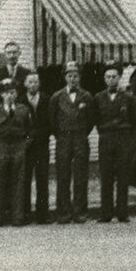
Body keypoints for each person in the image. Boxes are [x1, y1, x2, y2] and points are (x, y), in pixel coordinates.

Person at [49, 62, 96, 223]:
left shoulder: (87, 96)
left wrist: (80, 132)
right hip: (63, 138)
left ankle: (80, 212)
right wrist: (62, 134)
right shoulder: (57, 97)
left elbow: (91, 121)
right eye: (70, 76)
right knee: (63, 175)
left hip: (81, 138)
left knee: (81, 175)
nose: (73, 79)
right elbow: (52, 121)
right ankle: (63, 212)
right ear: (65, 77)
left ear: (80, 77)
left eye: (76, 76)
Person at [0, 78, 33, 226]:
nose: (9, 96)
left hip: (18, 147)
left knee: (18, 182)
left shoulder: (23, 110)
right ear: (1, 95)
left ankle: (17, 217)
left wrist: (24, 145)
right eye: (6, 93)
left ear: (17, 94)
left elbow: (31, 131)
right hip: (1, 147)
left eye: (12, 92)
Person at [95, 66, 136, 223]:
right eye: (108, 77)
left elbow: (134, 119)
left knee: (122, 176)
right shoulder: (98, 98)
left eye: (114, 76)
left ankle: (122, 213)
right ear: (104, 79)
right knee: (106, 176)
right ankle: (105, 213)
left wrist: (127, 137)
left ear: (119, 78)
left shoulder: (128, 98)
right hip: (106, 139)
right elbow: (96, 119)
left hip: (122, 139)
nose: (111, 79)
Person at [20, 71, 52, 223]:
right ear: (25, 84)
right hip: (25, 146)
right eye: (30, 82)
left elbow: (51, 121)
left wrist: (44, 135)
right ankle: (25, 213)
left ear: (39, 84)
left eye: (35, 82)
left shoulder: (46, 99)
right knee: (24, 179)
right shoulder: (20, 101)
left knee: (42, 178)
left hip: (42, 145)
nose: (33, 85)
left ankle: (42, 215)